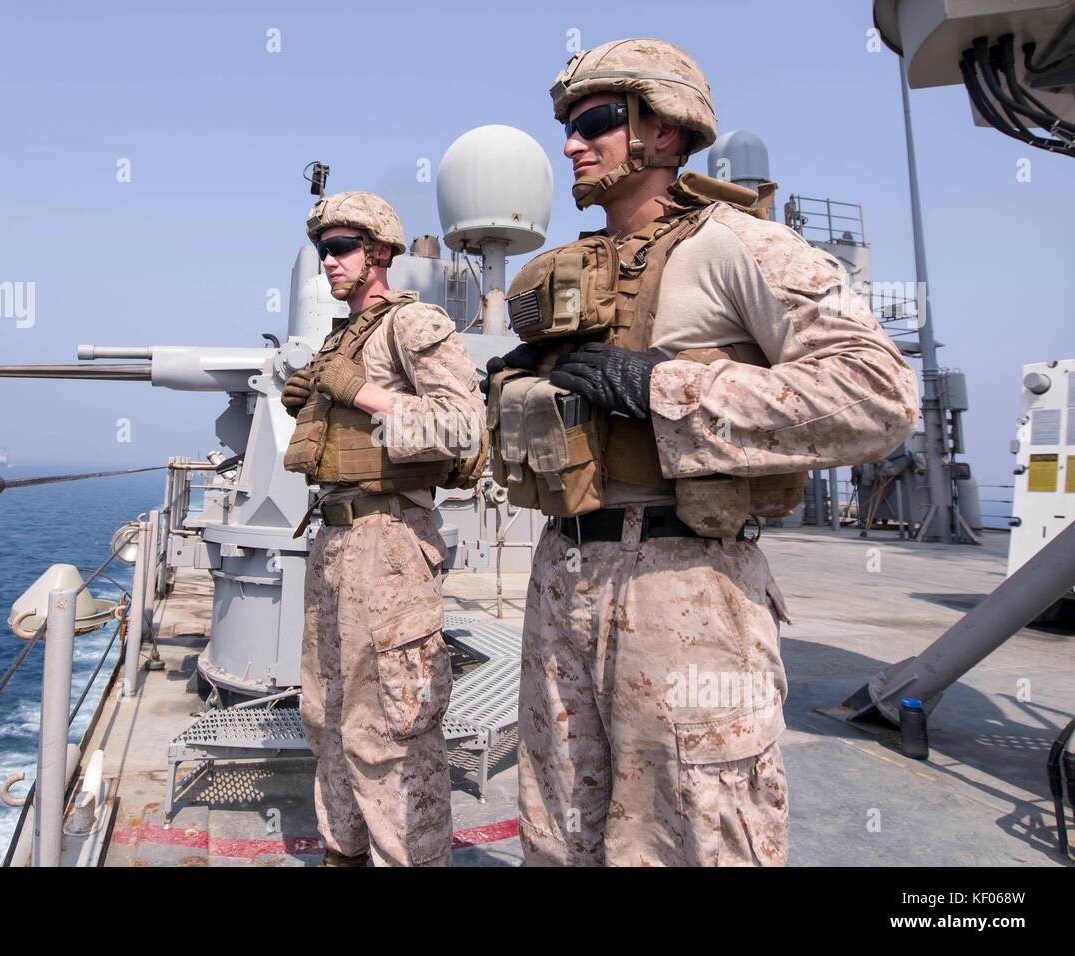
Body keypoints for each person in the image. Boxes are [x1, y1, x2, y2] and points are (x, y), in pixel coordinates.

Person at [486, 39, 919, 866]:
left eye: (596, 123)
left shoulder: (740, 246)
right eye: (567, 129)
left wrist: (664, 388)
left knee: (694, 831)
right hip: (563, 573)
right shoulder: (572, 273)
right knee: (554, 826)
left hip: (685, 586)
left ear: (666, 128)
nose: (571, 144)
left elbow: (878, 396)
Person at [282, 191, 487, 866]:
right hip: (334, 541)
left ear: (378, 253)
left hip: (390, 544)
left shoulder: (413, 325)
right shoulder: (341, 338)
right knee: (327, 716)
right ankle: (343, 850)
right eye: (324, 251)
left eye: (342, 249)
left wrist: (359, 390)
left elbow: (462, 429)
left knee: (393, 728)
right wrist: (315, 393)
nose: (330, 263)